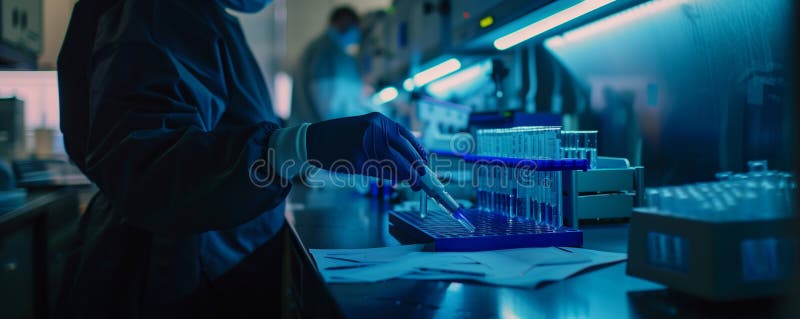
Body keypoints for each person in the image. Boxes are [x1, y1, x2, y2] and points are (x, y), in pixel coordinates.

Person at [56, 0, 426, 317]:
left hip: (218, 263)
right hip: (174, 277)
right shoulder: (158, 8)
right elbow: (149, 165)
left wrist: (292, 142)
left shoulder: (202, 16)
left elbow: (231, 123)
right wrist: (298, 146)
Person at [290, 6, 375, 125]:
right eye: (355, 26)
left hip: (308, 132)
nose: (357, 32)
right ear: (341, 21)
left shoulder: (324, 49)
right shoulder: (327, 51)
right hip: (315, 136)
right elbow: (330, 110)